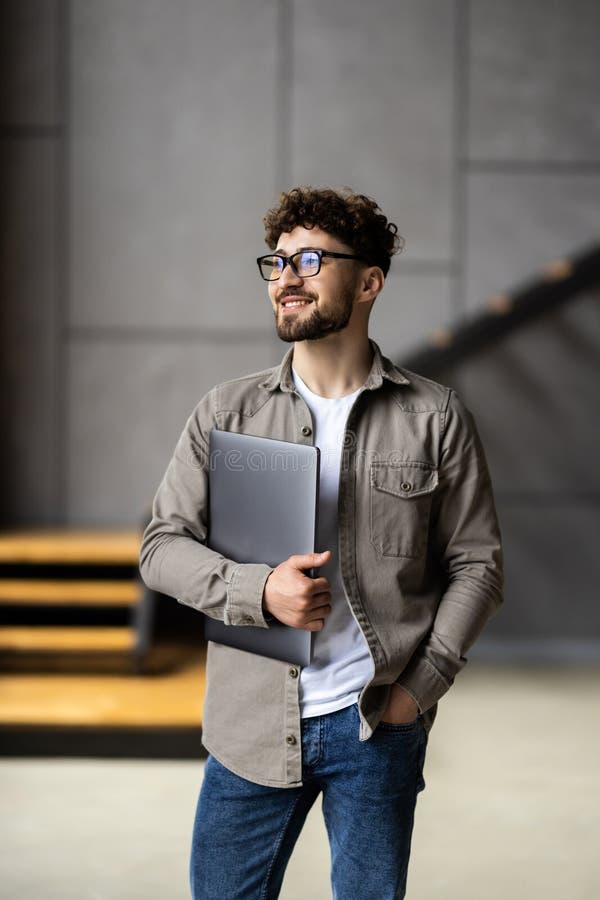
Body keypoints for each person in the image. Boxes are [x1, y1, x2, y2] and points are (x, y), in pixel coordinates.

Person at [139, 186, 503, 899]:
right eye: (275, 263)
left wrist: (418, 692)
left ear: (369, 282)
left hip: (375, 725)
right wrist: (257, 589)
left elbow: (478, 565)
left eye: (309, 259)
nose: (286, 278)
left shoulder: (434, 416)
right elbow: (162, 545)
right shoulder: (227, 412)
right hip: (249, 727)